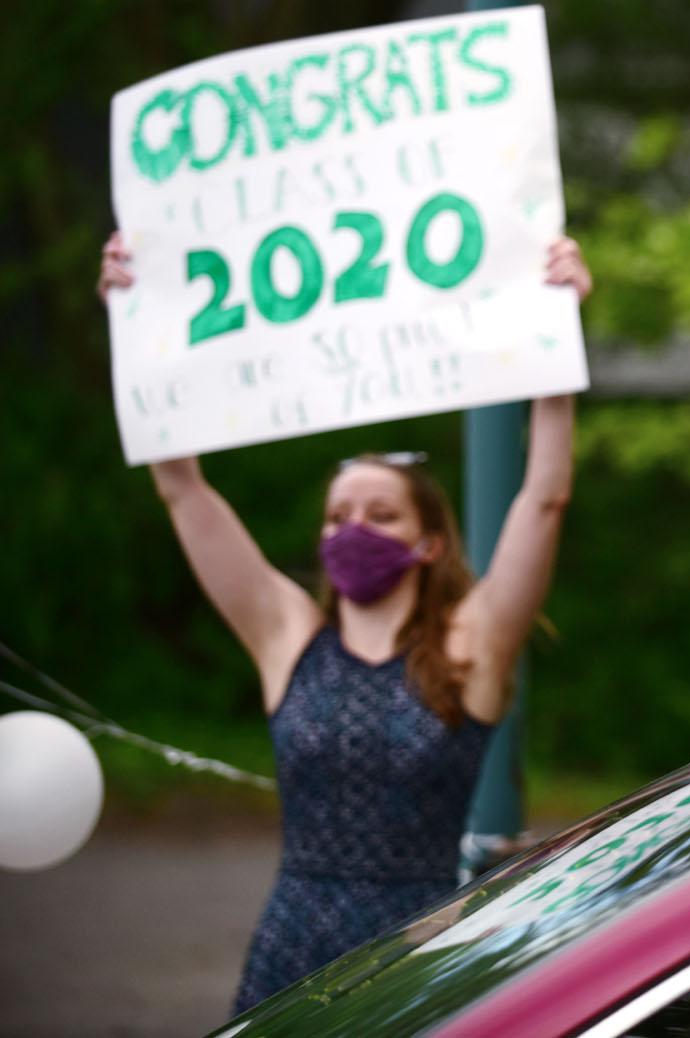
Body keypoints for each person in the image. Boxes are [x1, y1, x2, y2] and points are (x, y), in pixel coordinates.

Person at [97, 233, 592, 1012]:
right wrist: (138, 322)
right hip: (292, 949)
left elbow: (543, 500)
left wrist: (556, 344)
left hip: (422, 957)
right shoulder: (285, 633)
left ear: (428, 542)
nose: (351, 530)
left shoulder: (473, 640)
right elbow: (184, 492)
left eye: (379, 514)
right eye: (337, 516)